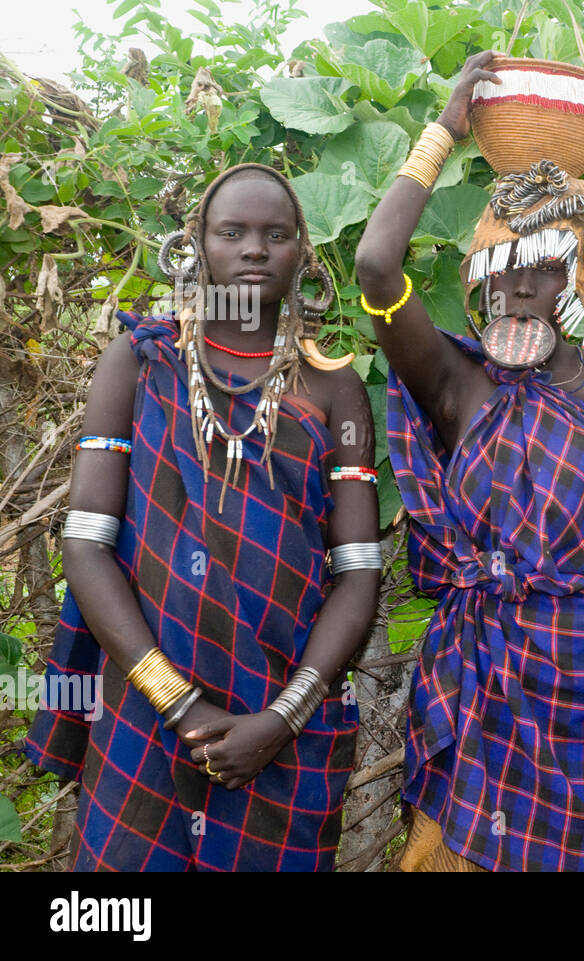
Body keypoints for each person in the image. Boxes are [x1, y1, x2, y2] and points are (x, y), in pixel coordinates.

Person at [354, 51, 584, 872]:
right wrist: (446, 125)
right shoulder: (456, 384)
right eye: (500, 276)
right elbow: (376, 267)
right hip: (475, 684)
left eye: (540, 274)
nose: (516, 296)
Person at [25, 164, 381, 871]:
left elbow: (359, 572)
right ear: (196, 248)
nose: (255, 249)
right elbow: (87, 545)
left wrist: (284, 716)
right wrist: (177, 701)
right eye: (233, 232)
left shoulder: (334, 386)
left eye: (276, 235)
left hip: (282, 709)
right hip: (145, 705)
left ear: (304, 257)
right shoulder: (138, 362)